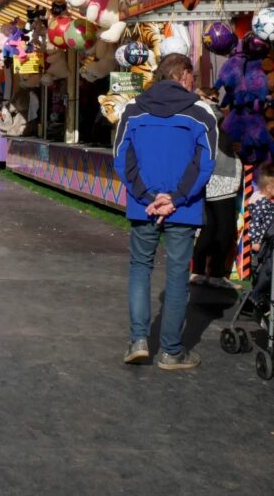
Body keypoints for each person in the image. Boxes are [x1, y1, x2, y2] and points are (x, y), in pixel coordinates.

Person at [113, 53, 216, 371]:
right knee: (176, 277)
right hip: (182, 209)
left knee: (140, 269)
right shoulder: (201, 112)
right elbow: (205, 162)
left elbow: (120, 157)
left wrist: (146, 195)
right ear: (184, 74)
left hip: (143, 206)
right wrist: (176, 198)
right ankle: (171, 352)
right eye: (193, 77)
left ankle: (139, 340)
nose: (193, 84)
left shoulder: (132, 110)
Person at [192, 87, 244, 290]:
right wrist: (207, 101)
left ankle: (202, 271)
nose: (216, 101)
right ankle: (212, 273)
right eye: (211, 98)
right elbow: (215, 115)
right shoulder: (204, 113)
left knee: (211, 226)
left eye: (216, 98)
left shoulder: (212, 121)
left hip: (222, 175)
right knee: (224, 227)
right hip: (219, 177)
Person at [246, 164, 274, 265]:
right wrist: (254, 241)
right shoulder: (262, 202)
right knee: (255, 261)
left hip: (265, 238)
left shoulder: (270, 201)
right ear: (269, 188)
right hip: (258, 240)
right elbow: (255, 222)